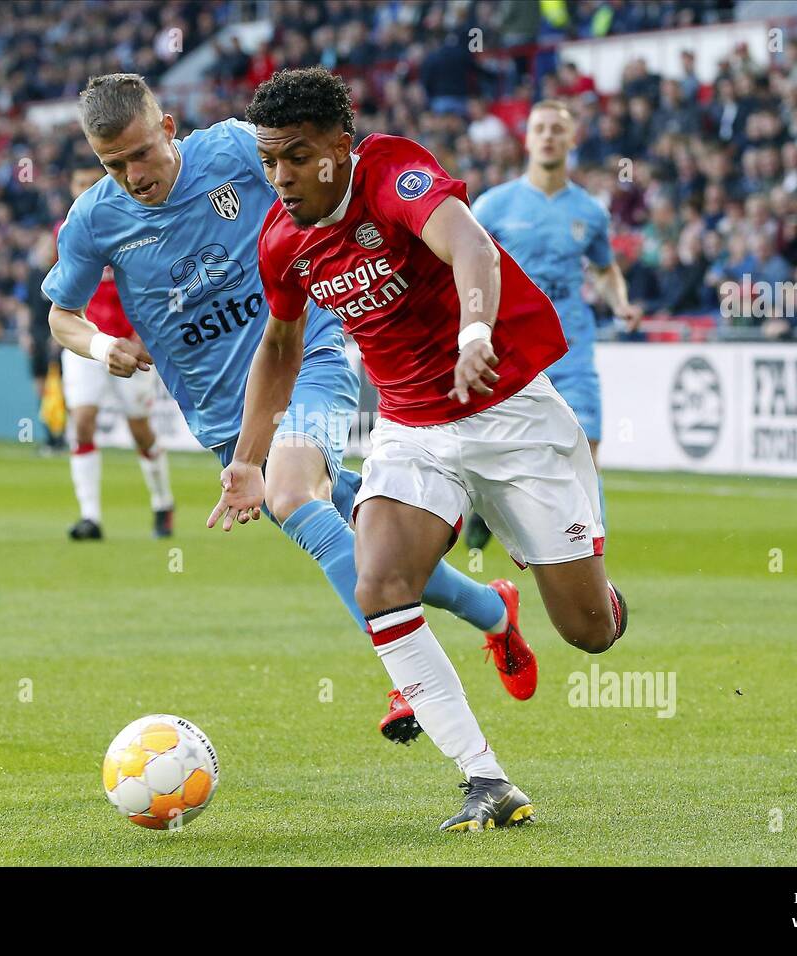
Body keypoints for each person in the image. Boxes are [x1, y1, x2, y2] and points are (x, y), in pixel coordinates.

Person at [41, 74, 532, 742]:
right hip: (226, 422)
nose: (132, 175)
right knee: (362, 531)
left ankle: (405, 668)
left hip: (310, 354)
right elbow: (60, 316)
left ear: (167, 127)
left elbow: (329, 187)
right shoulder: (96, 220)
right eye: (112, 165)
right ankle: (495, 612)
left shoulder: (236, 151)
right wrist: (102, 345)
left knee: (294, 497)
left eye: (140, 154)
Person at [210, 68, 629, 832]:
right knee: (379, 583)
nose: (281, 177)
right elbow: (278, 346)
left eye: (297, 157)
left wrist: (475, 334)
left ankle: (592, 595)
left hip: (510, 414)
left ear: (341, 147)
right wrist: (247, 457)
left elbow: (471, 246)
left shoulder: (395, 173)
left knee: (587, 632)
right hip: (412, 429)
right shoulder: (282, 240)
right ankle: (485, 779)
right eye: (271, 160)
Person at [466, 100, 642, 549]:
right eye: (540, 128)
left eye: (557, 130)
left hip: (572, 346)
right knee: (496, 448)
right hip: (511, 349)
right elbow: (463, 261)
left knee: (585, 444)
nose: (548, 136)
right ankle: (488, 507)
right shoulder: (494, 206)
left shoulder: (590, 211)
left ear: (571, 140)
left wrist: (619, 302)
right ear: (526, 139)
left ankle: (593, 562)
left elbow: (603, 268)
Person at [53, 166, 175, 541]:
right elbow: (62, 296)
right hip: (85, 343)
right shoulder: (67, 232)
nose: (84, 190)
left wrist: (144, 335)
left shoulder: (132, 223)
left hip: (130, 341)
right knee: (83, 421)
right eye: (78, 183)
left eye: (92, 183)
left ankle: (161, 502)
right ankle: (90, 517)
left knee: (140, 429)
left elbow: (154, 284)